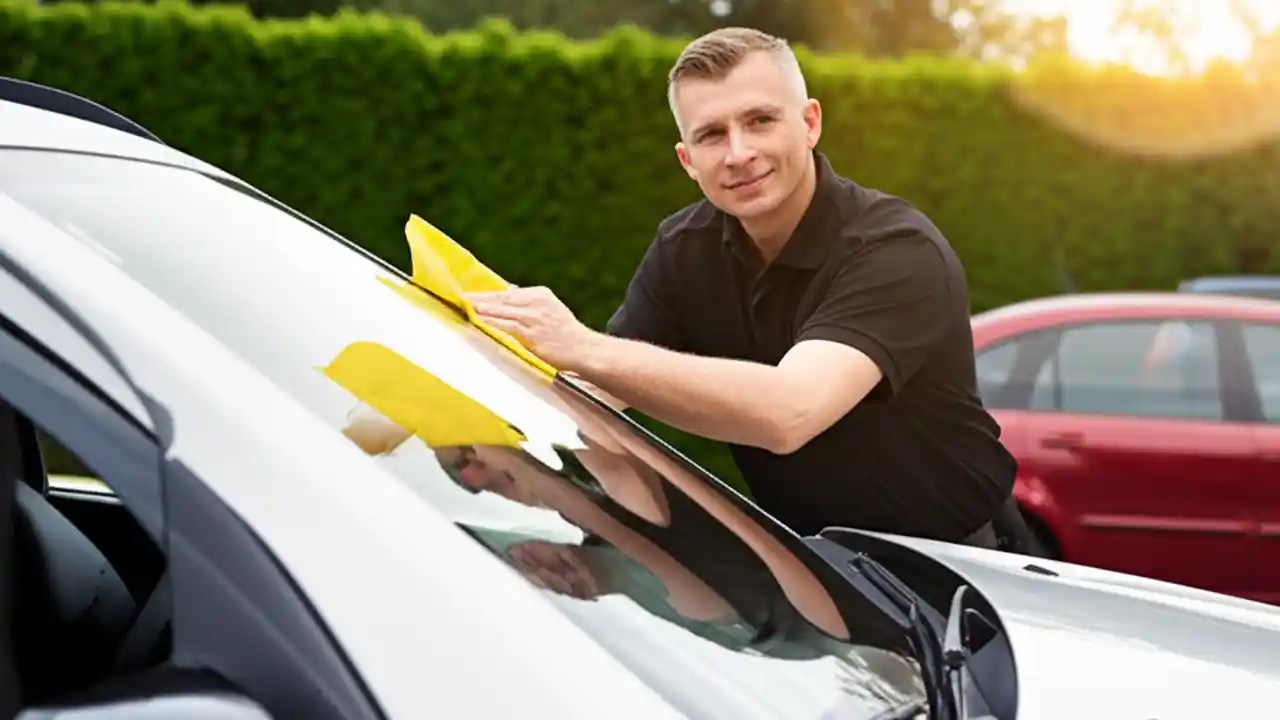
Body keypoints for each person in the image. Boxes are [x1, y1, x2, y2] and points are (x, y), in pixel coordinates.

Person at [468, 27, 1034, 552]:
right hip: (815, 561)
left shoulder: (896, 250)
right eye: (712, 134)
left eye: (760, 120)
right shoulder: (683, 248)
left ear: (809, 123)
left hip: (963, 562)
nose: (738, 154)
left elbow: (788, 413)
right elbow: (597, 392)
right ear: (688, 161)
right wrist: (465, 421)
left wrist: (581, 344)